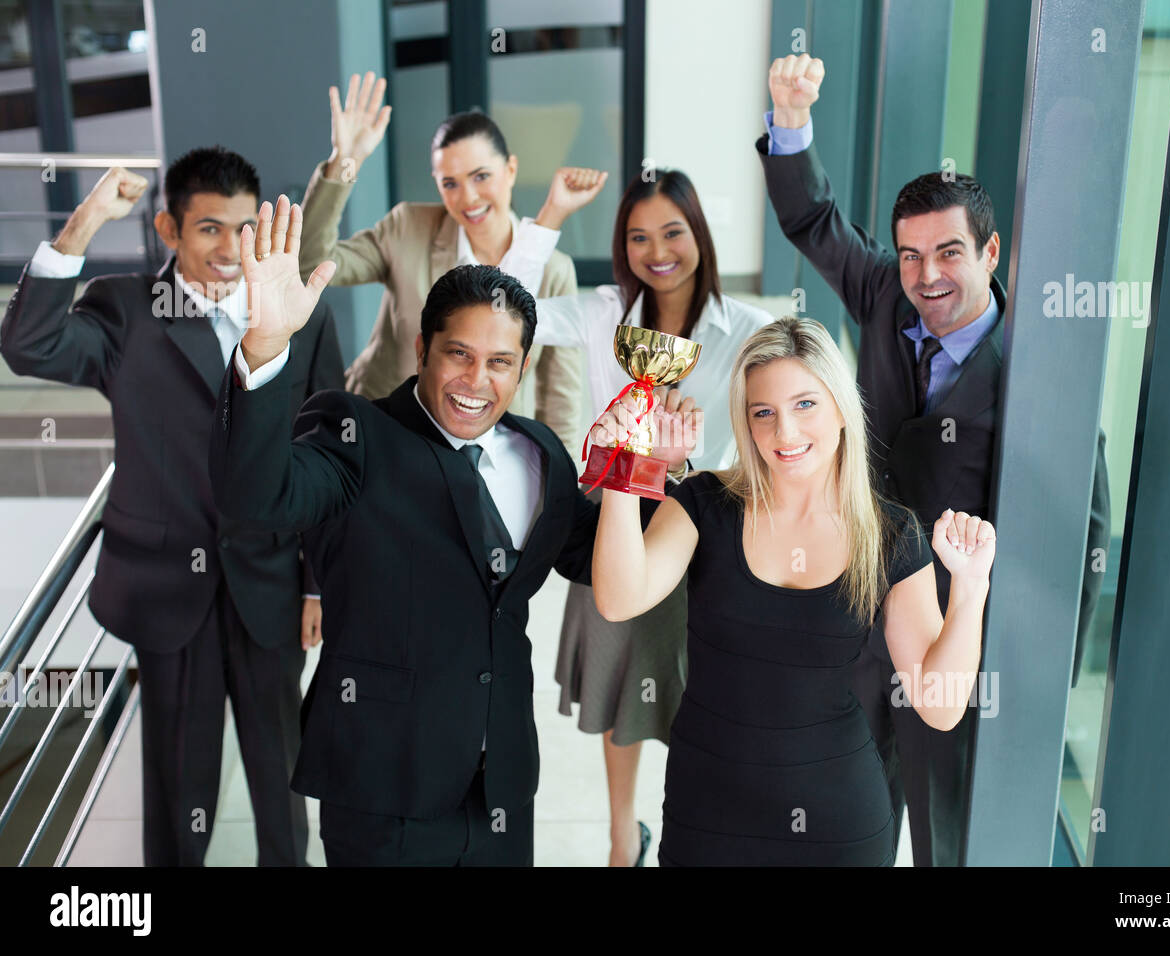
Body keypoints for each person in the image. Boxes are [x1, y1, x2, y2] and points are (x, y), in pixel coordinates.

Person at [207, 196, 697, 866]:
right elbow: (254, 501)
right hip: (384, 794)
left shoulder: (540, 454)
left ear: (523, 367)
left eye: (500, 362)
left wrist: (660, 472)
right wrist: (263, 348)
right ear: (421, 349)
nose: (476, 380)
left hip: (501, 789)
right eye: (458, 355)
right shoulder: (355, 434)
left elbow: (599, 555)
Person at [757, 54, 1110, 866]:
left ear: (991, 254)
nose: (926, 276)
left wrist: (1041, 673)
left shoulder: (1040, 373)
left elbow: (1083, 529)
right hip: (859, 602)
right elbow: (814, 220)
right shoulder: (883, 294)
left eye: (949, 254)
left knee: (944, 825)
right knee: (851, 803)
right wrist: (790, 118)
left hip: (956, 635)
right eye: (911, 255)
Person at [0, 148, 344, 865]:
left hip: (271, 582)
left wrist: (318, 579)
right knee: (178, 792)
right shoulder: (127, 311)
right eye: (209, 229)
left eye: (244, 229)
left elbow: (324, 453)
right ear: (168, 228)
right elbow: (29, 345)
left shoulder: (301, 317)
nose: (229, 249)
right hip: (165, 589)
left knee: (283, 777)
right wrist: (85, 221)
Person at [588, 317, 994, 865]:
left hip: (837, 823)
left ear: (841, 409)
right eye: (764, 413)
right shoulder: (706, 505)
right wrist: (623, 465)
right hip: (709, 812)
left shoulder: (891, 534)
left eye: (805, 405)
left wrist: (969, 589)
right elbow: (618, 597)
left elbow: (940, 707)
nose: (785, 433)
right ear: (746, 421)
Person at [507, 166, 775, 866]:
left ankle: (695, 833)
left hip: (705, 534)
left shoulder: (748, 329)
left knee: (706, 697)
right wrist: (554, 210)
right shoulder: (602, 313)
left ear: (700, 236)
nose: (657, 251)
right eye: (637, 236)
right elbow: (504, 298)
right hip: (616, 526)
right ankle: (623, 840)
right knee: (623, 691)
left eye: (673, 232)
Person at [296, 71, 587, 455]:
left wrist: (560, 489)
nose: (467, 197)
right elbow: (312, 265)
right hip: (382, 436)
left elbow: (560, 398)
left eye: (481, 176)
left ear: (511, 170)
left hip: (486, 451)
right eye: (449, 183)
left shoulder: (554, 269)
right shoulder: (408, 227)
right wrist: (344, 162)